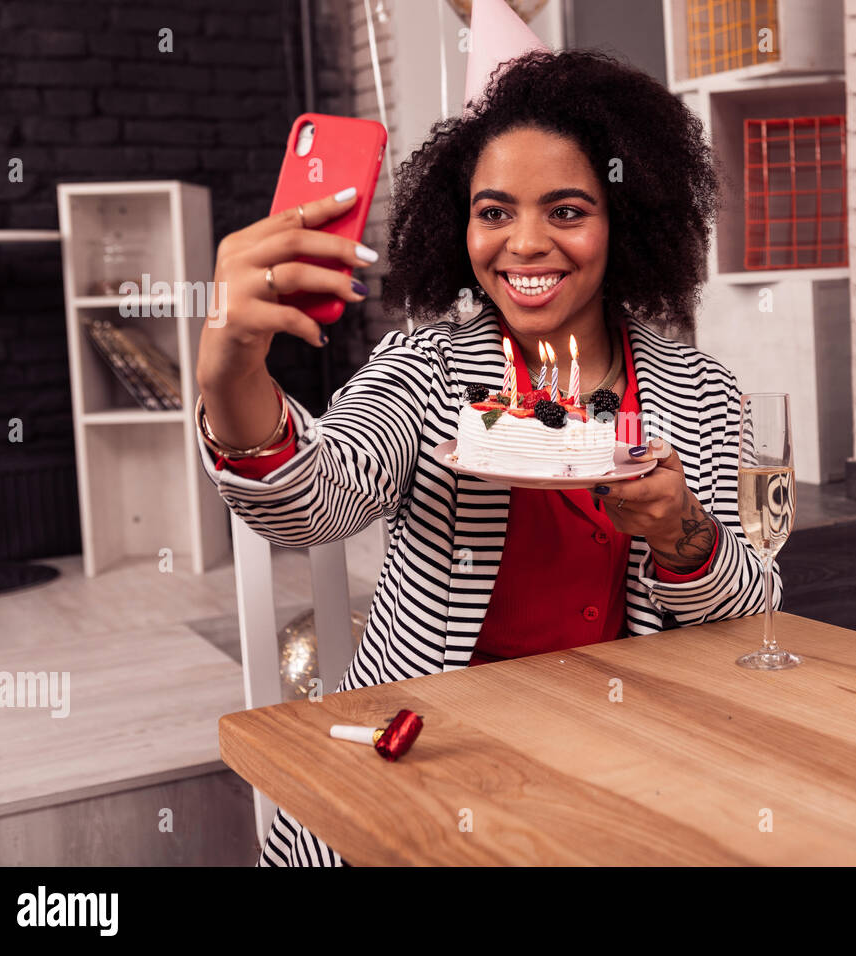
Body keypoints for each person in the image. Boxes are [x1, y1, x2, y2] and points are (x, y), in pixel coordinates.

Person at [194, 49, 783, 866]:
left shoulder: (703, 391)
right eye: (495, 212)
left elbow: (753, 612)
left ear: (626, 219)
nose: (526, 245)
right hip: (429, 763)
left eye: (568, 211)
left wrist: (683, 532)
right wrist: (231, 375)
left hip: (627, 766)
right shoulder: (427, 365)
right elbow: (311, 499)